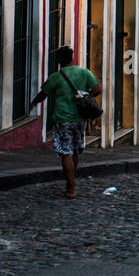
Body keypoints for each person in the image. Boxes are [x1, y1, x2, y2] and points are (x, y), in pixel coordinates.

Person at [28, 46, 102, 200]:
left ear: (59, 61)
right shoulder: (84, 72)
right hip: (80, 118)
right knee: (74, 151)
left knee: (65, 153)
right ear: (72, 58)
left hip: (63, 119)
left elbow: (43, 94)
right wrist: (84, 95)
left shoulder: (56, 77)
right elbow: (97, 88)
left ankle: (71, 188)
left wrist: (33, 103)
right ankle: (70, 185)